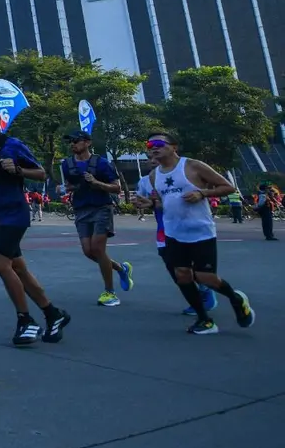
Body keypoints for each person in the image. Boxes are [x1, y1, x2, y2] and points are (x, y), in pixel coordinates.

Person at [0, 106, 70, 346]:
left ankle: (25, 320)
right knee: (18, 266)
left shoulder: (12, 144)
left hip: (13, 213)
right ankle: (53, 314)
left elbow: (41, 173)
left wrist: (18, 169)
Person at [140, 132, 255, 334]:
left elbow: (228, 187)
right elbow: (161, 204)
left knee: (205, 277)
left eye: (158, 143)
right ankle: (205, 320)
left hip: (200, 231)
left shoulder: (192, 166)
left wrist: (202, 192)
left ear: (174, 146)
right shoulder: (153, 175)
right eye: (149, 145)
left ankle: (236, 299)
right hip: (173, 233)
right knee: (182, 275)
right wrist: (149, 203)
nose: (153, 148)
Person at [132, 156, 217, 316]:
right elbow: (143, 200)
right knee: (175, 269)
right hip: (164, 231)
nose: (153, 159)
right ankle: (197, 301)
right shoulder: (145, 181)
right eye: (150, 157)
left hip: (191, 228)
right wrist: (141, 203)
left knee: (196, 270)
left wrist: (201, 193)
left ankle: (206, 293)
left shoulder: (181, 175)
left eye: (156, 156)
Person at [60, 131, 133, 306]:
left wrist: (96, 183)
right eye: (70, 142)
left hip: (101, 208)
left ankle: (110, 292)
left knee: (98, 249)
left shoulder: (101, 163)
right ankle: (121, 268)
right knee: (88, 251)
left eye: (76, 141)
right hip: (81, 209)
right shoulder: (66, 164)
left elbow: (116, 188)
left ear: (87, 143)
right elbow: (71, 185)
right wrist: (65, 188)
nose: (73, 144)